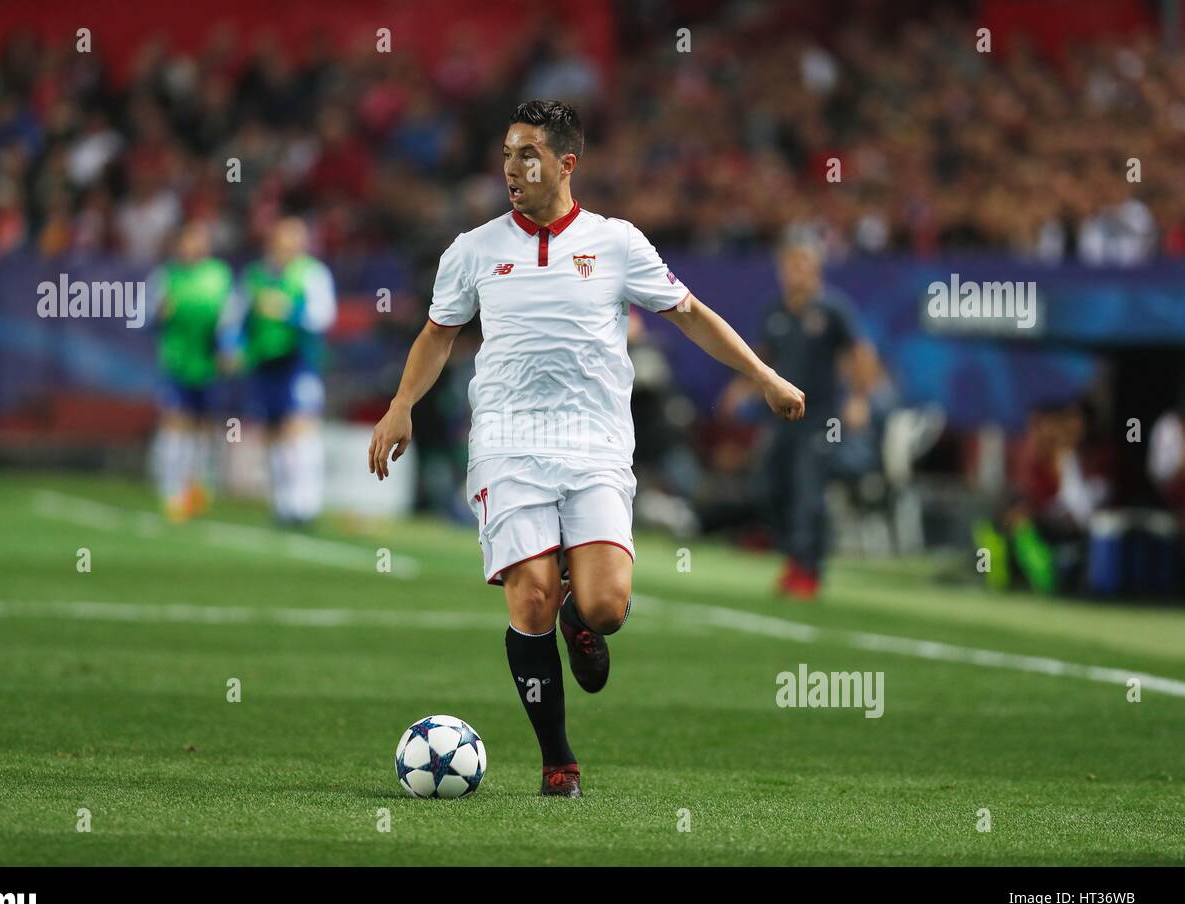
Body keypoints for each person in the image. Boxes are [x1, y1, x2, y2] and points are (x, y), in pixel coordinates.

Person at [368, 101, 805, 797]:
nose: (513, 167)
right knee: (532, 596)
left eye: (528, 155)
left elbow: (689, 314)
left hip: (596, 444)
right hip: (507, 446)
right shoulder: (473, 250)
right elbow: (437, 334)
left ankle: (582, 620)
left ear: (567, 164)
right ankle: (557, 759)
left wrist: (764, 376)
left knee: (603, 605)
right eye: (508, 153)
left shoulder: (617, 243)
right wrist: (400, 406)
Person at [718, 229, 881, 598]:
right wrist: (741, 387)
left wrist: (859, 397)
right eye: (790, 265)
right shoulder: (775, 311)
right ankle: (794, 556)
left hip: (823, 420)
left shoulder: (832, 310)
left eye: (803, 264)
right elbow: (764, 359)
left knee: (809, 490)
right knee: (770, 487)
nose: (796, 272)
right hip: (781, 418)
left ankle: (808, 569)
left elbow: (861, 354)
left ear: (816, 269)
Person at [220, 217, 337, 527]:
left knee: (300, 427)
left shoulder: (312, 274)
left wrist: (289, 311)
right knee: (271, 433)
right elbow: (234, 318)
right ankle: (283, 504)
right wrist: (232, 347)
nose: (289, 247)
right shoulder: (255, 276)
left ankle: (306, 505)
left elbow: (323, 316)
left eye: (295, 241)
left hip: (298, 361)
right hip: (262, 363)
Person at [146, 221, 233, 521]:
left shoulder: (218, 276)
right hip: (177, 363)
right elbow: (145, 316)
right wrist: (159, 313)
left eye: (200, 240)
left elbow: (230, 316)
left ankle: (198, 488)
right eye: (189, 240)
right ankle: (170, 491)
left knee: (205, 428)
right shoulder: (165, 277)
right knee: (175, 424)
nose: (195, 246)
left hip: (208, 365)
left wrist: (228, 348)